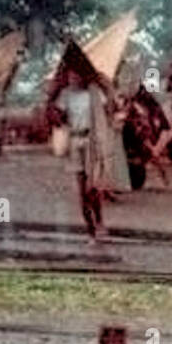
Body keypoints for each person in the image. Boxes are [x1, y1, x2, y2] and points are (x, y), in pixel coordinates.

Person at [50, 66, 107, 242]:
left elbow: (107, 109)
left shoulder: (94, 93)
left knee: (93, 187)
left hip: (91, 140)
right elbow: (56, 115)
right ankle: (90, 231)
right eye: (70, 76)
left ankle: (99, 220)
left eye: (76, 76)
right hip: (75, 141)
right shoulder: (65, 95)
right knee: (81, 191)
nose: (73, 79)